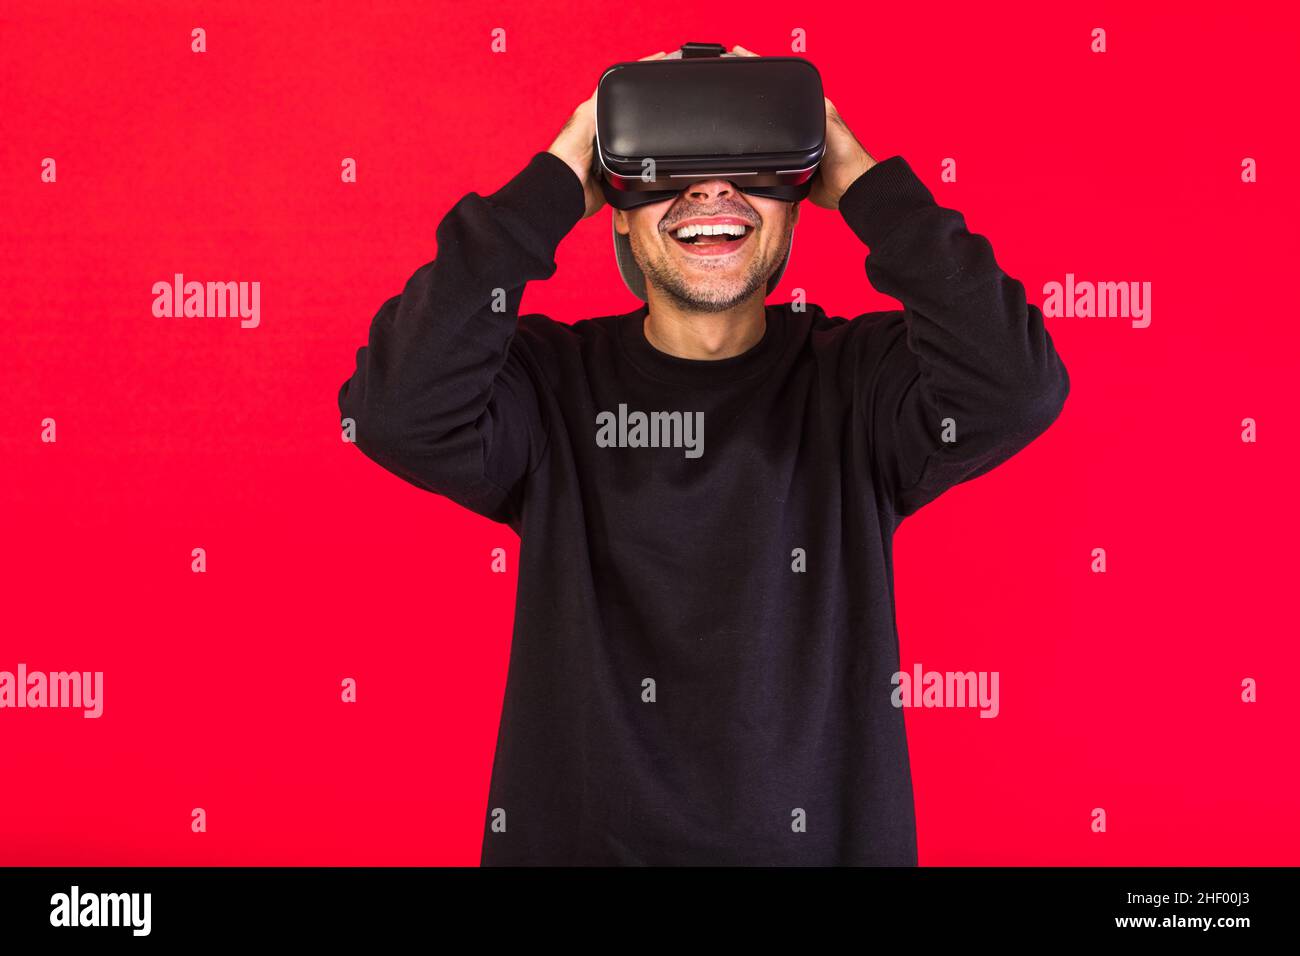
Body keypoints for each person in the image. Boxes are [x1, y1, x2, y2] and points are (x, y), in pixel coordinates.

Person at [336, 45, 1070, 865]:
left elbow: (1016, 386)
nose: (711, 191)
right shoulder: (547, 388)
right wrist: (556, 174)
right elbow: (393, 411)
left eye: (750, 166)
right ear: (614, 202)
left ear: (800, 195)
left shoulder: (863, 386)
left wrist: (863, 178)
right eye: (668, 169)